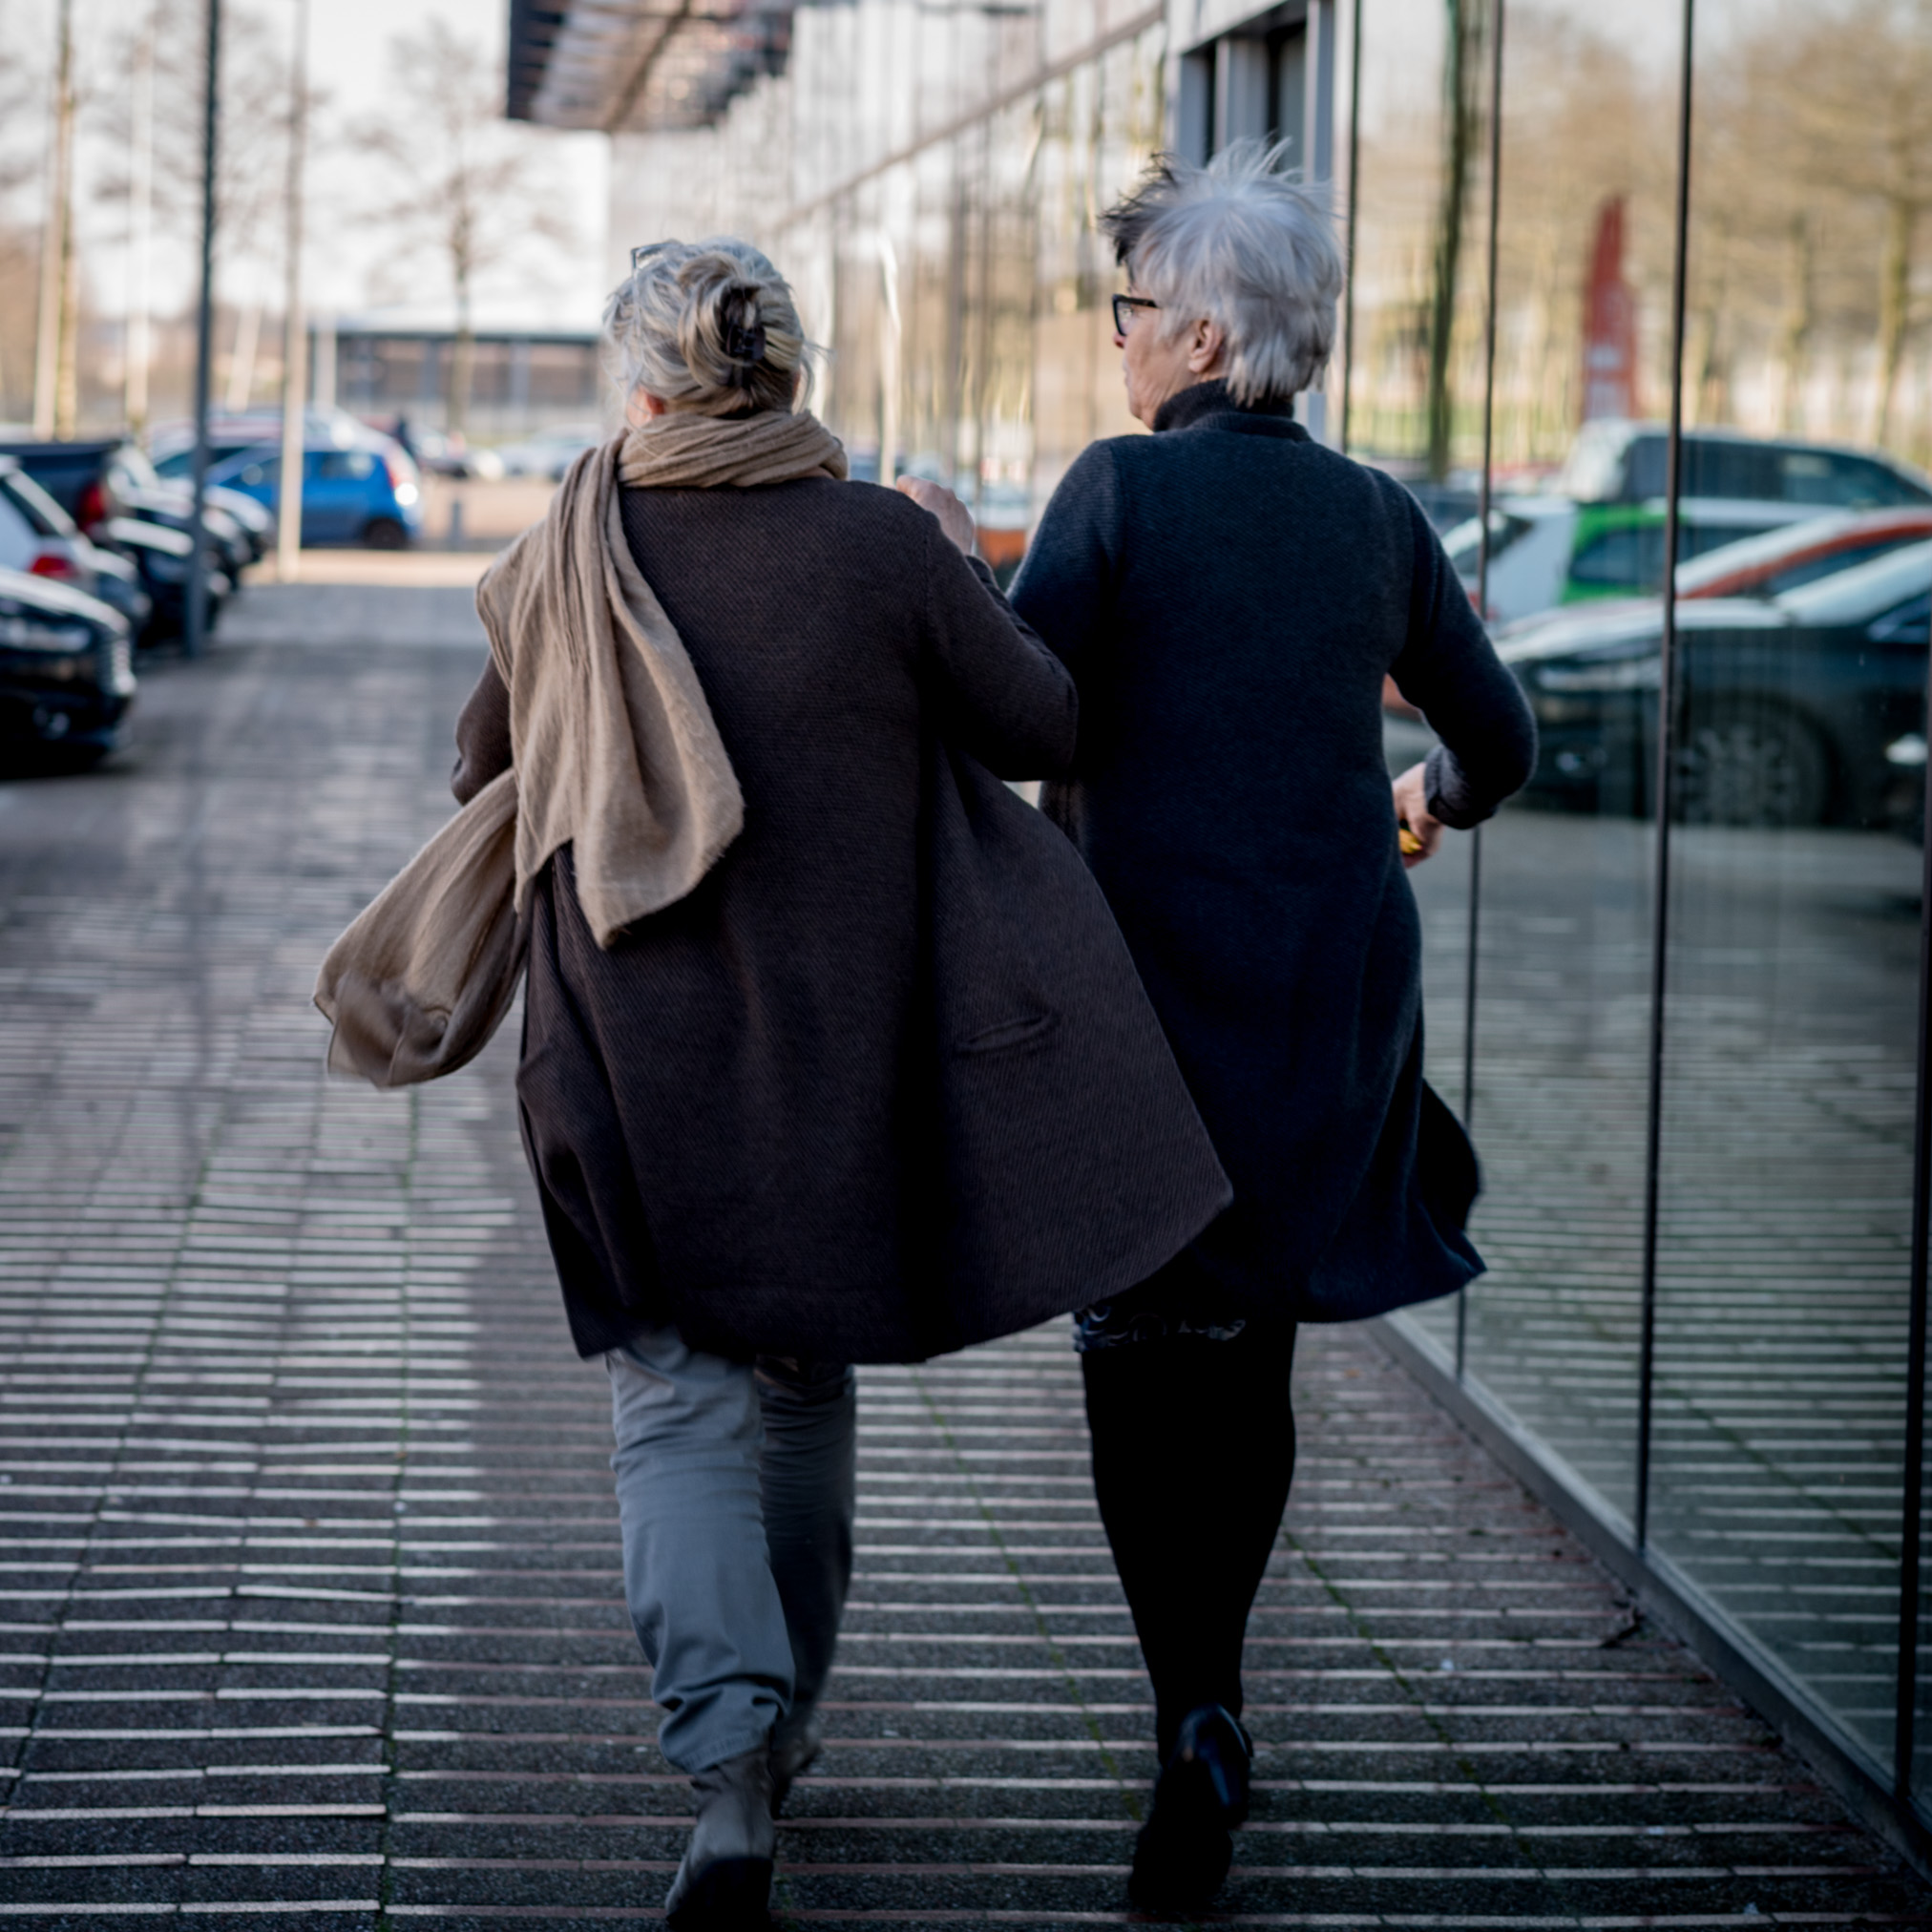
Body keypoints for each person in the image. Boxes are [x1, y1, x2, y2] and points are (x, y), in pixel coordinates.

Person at [444, 238, 1228, 1931]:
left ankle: (728, 1767)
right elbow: (1044, 725)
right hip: (830, 1051)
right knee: (800, 1382)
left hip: (623, 1051)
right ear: (788, 377)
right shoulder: (881, 548)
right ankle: (781, 1722)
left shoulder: (572, 548)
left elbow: (481, 765)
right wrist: (955, 562)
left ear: (644, 388)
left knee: (674, 1391)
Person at [998, 144, 1540, 1913]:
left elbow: (1018, 713)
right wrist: (1425, 799)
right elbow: (1502, 745)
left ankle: (1190, 1714)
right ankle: (1214, 1703)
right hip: (1324, 998)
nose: (1120, 344)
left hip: (1144, 1004)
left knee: (1143, 1356)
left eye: (1133, 313)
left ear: (1207, 334)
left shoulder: (1121, 496)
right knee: (1255, 1355)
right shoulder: (1378, 516)